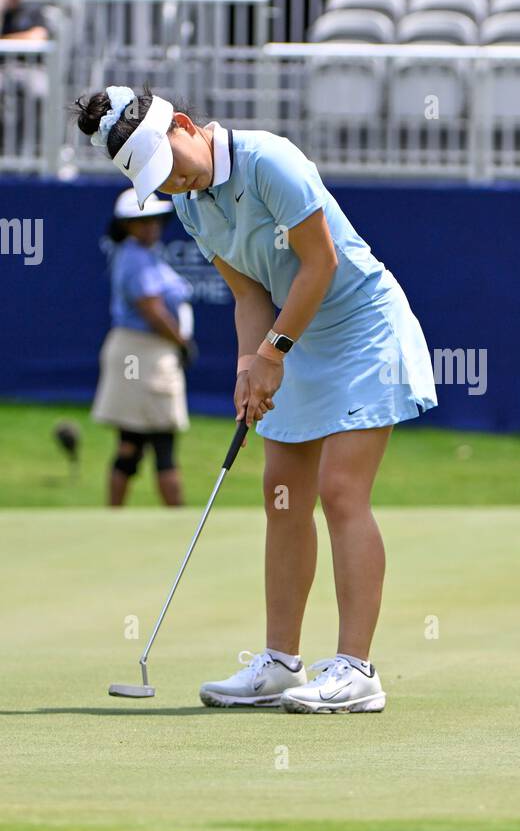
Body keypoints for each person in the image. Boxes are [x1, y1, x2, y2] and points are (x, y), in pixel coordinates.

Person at [76, 85, 437, 714]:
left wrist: (272, 354)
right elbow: (249, 297)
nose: (177, 185)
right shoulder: (191, 206)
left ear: (184, 125)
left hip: (360, 330)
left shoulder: (271, 160)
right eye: (163, 183)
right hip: (292, 338)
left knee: (341, 491)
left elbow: (318, 264)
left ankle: (356, 671)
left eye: (175, 168)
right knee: (282, 496)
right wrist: (250, 366)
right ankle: (280, 664)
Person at [91, 182, 194, 508]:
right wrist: (181, 342)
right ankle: (177, 525)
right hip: (144, 354)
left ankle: (115, 518)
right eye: (142, 220)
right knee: (161, 441)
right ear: (127, 225)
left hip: (140, 352)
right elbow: (151, 309)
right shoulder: (135, 258)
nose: (151, 226)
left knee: (131, 442)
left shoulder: (139, 255)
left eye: (155, 220)